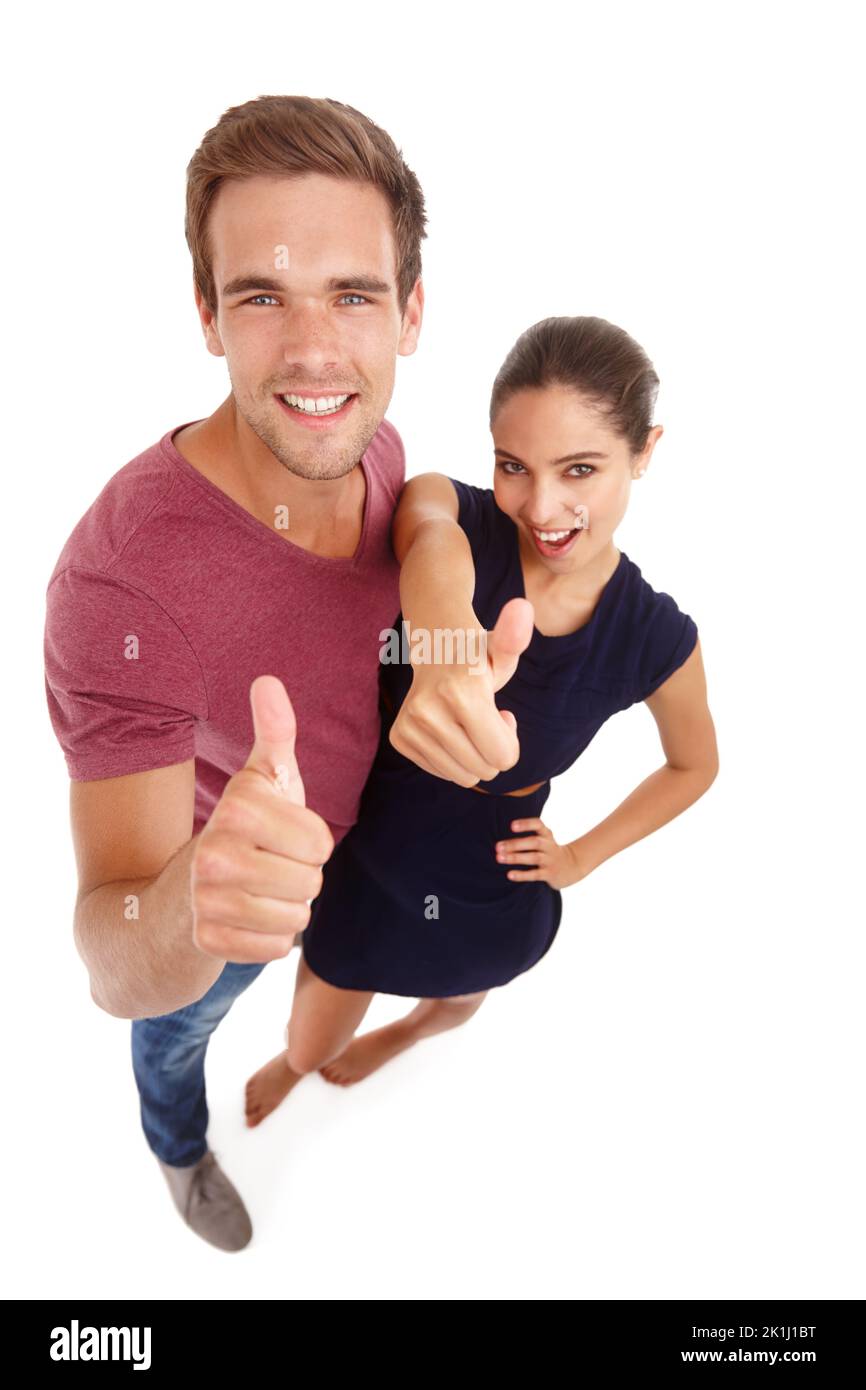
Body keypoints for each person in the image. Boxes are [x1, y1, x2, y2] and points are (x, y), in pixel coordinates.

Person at [42, 94, 522, 1253]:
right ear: (207, 315)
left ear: (409, 313)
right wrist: (197, 896)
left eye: (351, 294)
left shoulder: (374, 441)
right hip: (221, 917)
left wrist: (443, 608)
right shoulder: (120, 584)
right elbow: (113, 956)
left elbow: (415, 526)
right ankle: (174, 1144)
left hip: (353, 856)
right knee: (169, 1039)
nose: (313, 351)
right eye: (261, 294)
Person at [243, 315, 720, 1119]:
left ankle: (407, 1035)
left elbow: (694, 765)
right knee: (309, 1040)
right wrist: (442, 643)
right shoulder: (449, 511)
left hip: (491, 879)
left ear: (645, 452)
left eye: (580, 469)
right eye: (513, 466)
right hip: (369, 848)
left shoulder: (656, 637)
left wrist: (579, 858)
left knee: (460, 999)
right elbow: (428, 535)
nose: (542, 505)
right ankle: (299, 1068)